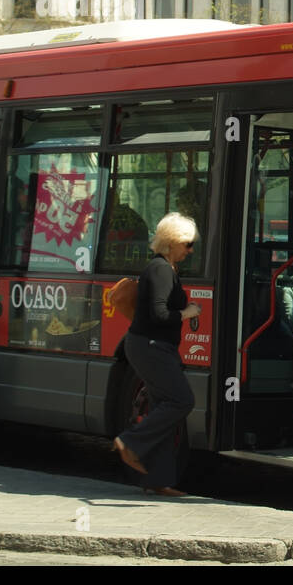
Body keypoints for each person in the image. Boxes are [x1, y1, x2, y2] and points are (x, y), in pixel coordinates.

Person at [113, 212, 201, 497]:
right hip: (150, 347)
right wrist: (188, 313)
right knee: (181, 400)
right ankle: (130, 442)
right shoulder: (160, 269)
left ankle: (157, 481)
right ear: (172, 242)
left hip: (153, 346)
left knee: (165, 407)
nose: (190, 250)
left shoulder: (166, 269)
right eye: (187, 244)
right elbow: (159, 314)